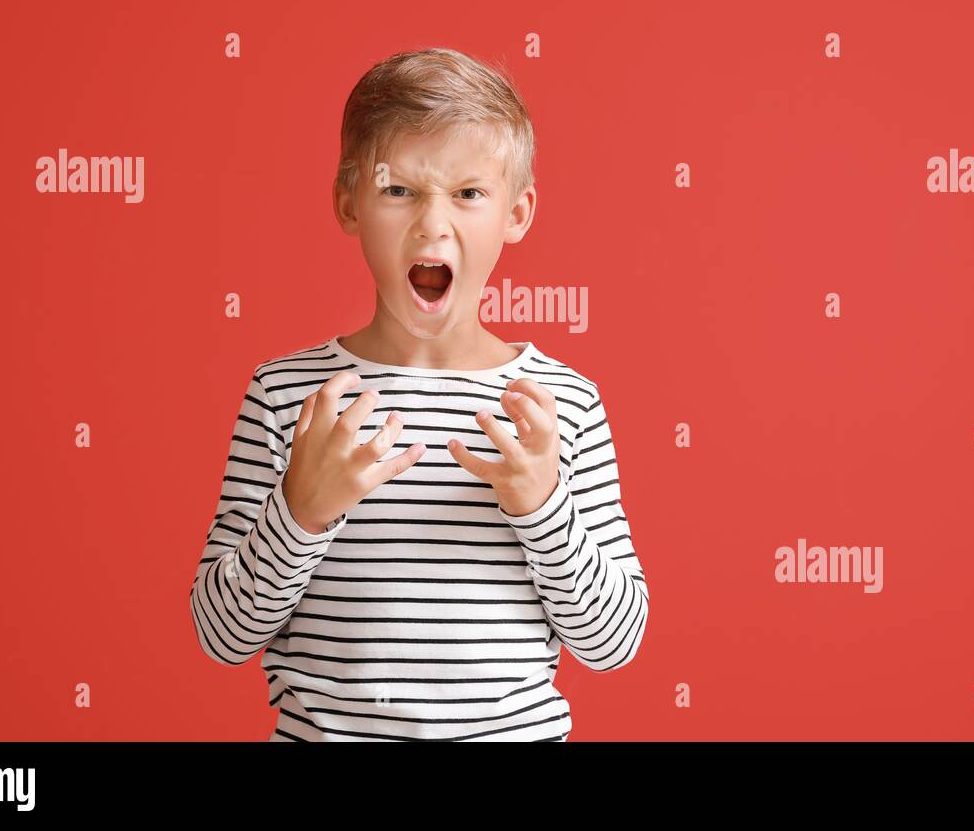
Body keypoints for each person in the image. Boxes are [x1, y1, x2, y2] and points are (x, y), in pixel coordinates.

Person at [189, 47, 648, 740]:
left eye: (468, 193)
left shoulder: (563, 404)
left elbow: (614, 643)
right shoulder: (288, 396)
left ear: (516, 214)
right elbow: (221, 634)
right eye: (398, 189)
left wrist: (543, 507)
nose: (433, 223)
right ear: (349, 204)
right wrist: (301, 512)